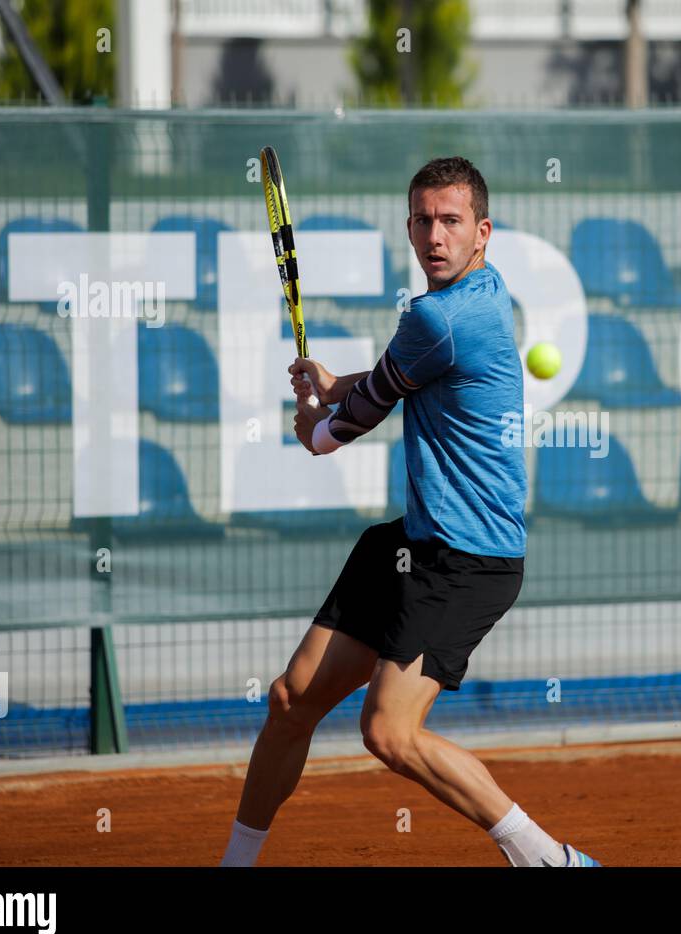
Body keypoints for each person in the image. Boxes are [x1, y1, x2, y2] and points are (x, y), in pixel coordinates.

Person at [220, 156, 600, 867]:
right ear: (409, 226)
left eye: (452, 221)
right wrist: (333, 388)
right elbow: (398, 378)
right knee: (290, 699)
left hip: (467, 558)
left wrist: (322, 429)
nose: (436, 235)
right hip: (411, 543)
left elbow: (369, 409)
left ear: (482, 231)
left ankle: (549, 859)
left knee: (389, 732)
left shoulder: (441, 315)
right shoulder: (474, 299)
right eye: (424, 220)